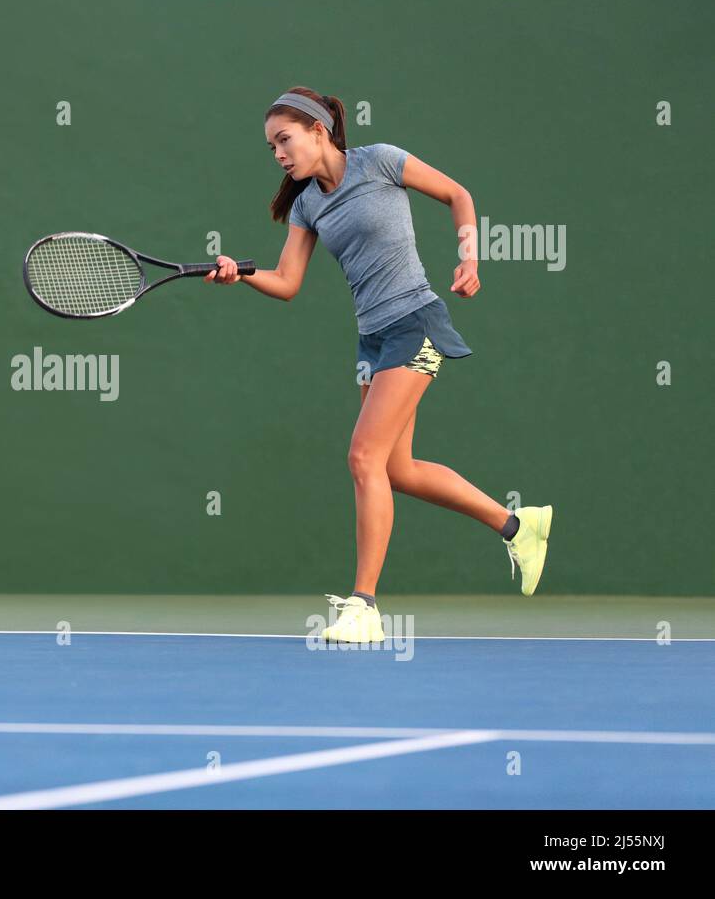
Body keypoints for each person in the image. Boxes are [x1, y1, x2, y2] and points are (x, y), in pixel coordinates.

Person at [208, 87, 552, 643]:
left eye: (284, 139)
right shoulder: (307, 205)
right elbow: (288, 283)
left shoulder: (380, 161)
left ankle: (364, 607)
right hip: (372, 340)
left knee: (363, 456)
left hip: (415, 323)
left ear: (318, 130)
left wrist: (470, 256)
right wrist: (238, 272)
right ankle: (518, 526)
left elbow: (457, 194)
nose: (278, 154)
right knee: (397, 470)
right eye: (271, 146)